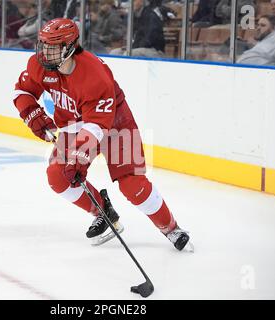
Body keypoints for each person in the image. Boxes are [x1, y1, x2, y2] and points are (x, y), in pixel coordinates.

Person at [13, 18, 191, 251]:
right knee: (58, 176)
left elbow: (97, 125)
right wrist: (32, 114)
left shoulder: (96, 75)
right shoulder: (39, 64)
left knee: (132, 184)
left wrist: (79, 156)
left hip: (116, 123)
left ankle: (171, 228)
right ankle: (103, 212)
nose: (45, 52)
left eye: (52, 47)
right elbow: (22, 90)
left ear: (69, 48)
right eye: (43, 45)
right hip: (73, 125)